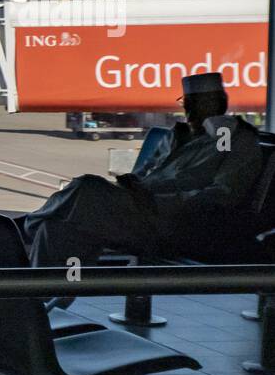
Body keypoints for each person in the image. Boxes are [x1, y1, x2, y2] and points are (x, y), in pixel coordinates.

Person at [23, 72, 264, 268]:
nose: (187, 112)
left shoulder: (239, 141)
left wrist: (158, 200)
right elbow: (147, 172)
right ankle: (42, 305)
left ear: (215, 103)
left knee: (87, 185)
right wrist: (134, 184)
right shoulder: (177, 137)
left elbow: (223, 195)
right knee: (54, 229)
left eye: (194, 105)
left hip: (173, 222)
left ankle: (27, 225)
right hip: (140, 209)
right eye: (186, 104)